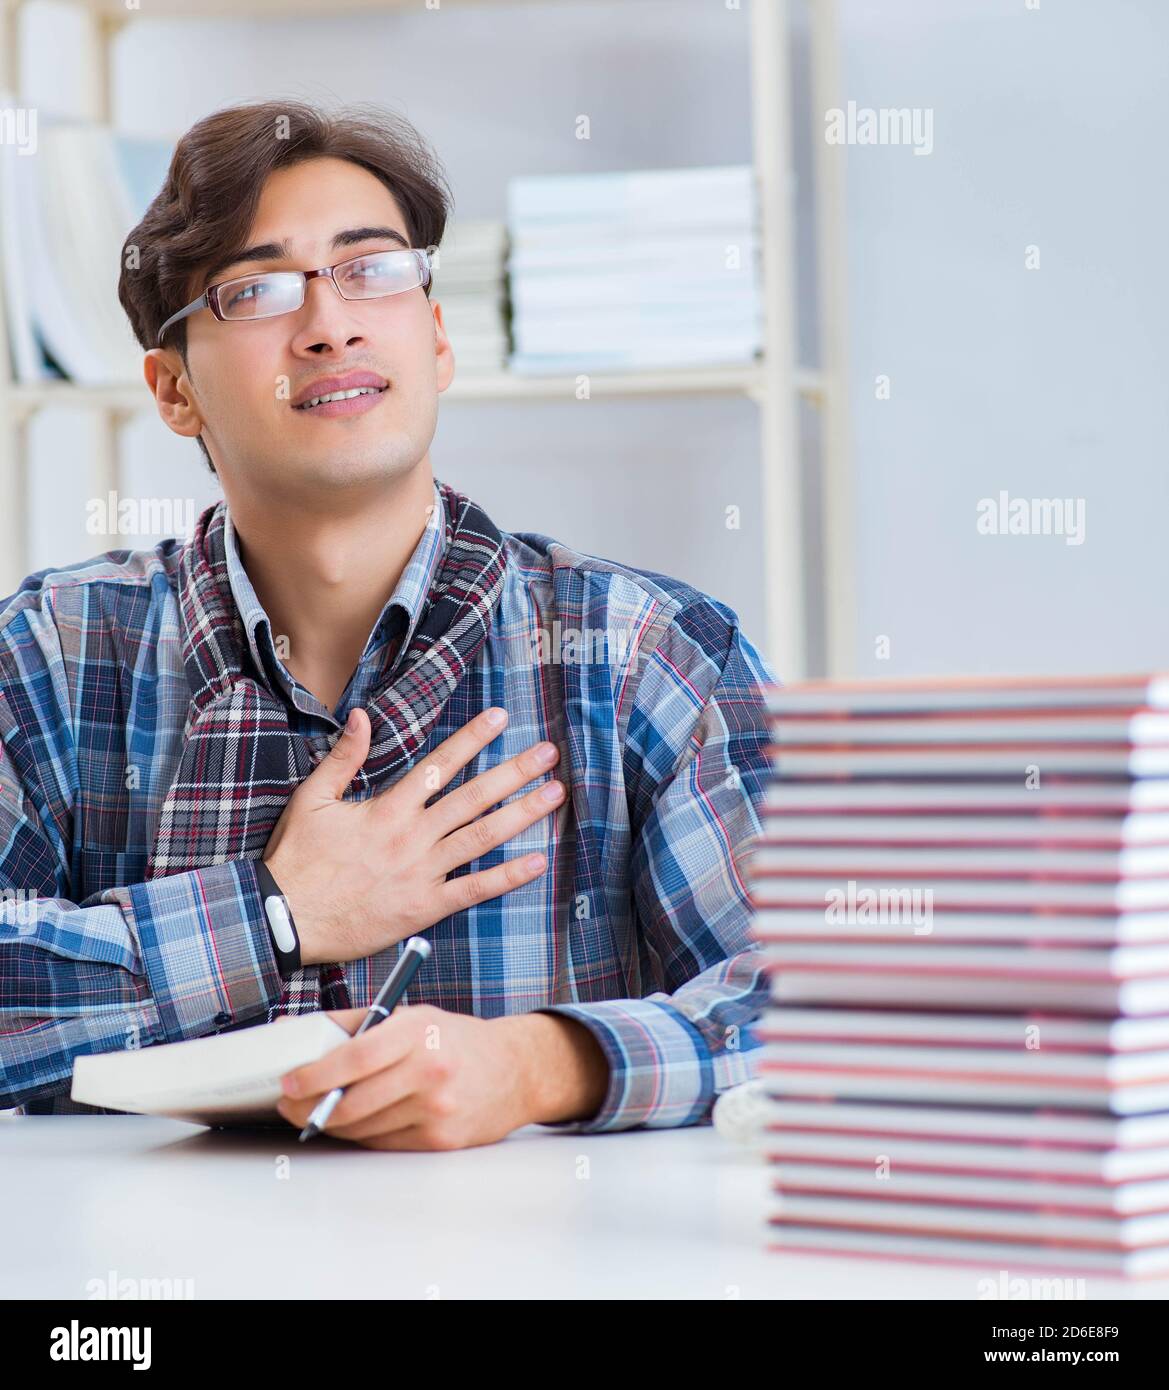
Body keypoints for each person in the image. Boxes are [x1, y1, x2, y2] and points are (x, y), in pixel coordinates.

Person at [0, 100, 777, 1149]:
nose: (330, 323)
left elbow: (833, 1009)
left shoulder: (647, 653)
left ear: (438, 337)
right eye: (259, 289)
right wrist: (272, 914)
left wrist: (537, 1064)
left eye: (370, 269)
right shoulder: (52, 652)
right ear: (174, 391)